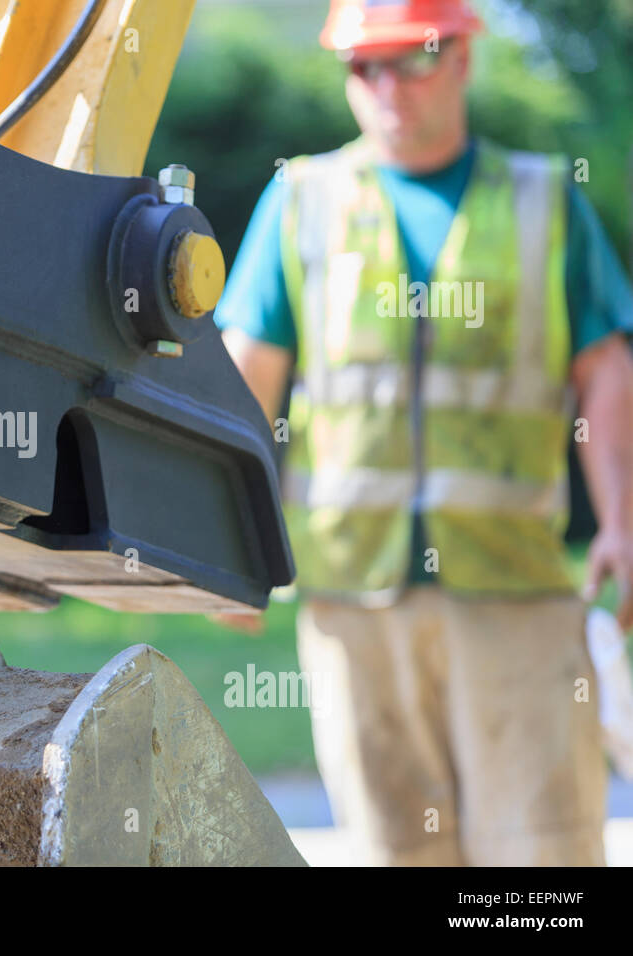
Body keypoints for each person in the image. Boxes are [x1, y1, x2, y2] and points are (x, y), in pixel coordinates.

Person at [216, 0, 633, 865]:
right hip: (350, 596)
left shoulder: (544, 200)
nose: (384, 86)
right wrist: (224, 541)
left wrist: (624, 525)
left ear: (464, 61)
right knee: (389, 846)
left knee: (540, 852)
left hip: (513, 589)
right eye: (363, 66)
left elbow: (604, 367)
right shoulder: (302, 199)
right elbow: (247, 377)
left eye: (410, 59)